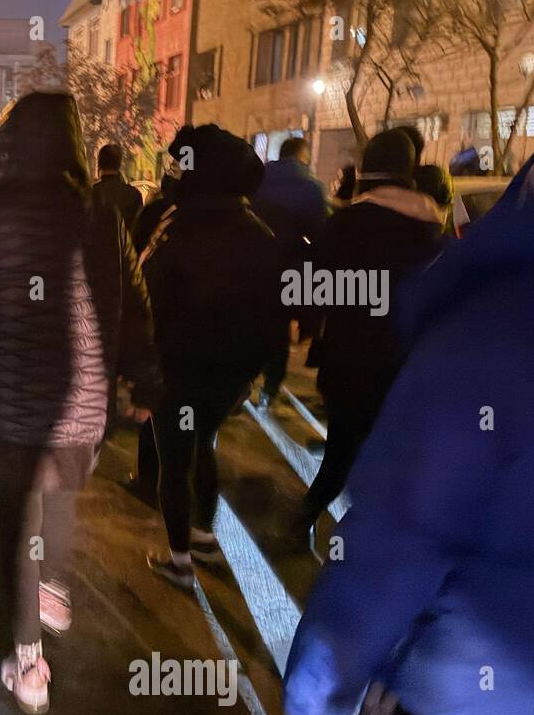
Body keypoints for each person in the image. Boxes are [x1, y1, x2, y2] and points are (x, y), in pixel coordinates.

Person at [284, 152, 534, 715]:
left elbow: (404, 529)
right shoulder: (443, 260)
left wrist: (323, 681)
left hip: (469, 708)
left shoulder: (496, 326)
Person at [0, 92, 159, 715]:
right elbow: (135, 307)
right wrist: (143, 379)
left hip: (6, 401)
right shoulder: (100, 214)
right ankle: (51, 588)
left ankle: (29, 665)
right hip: (81, 398)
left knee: (15, 525)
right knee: (58, 499)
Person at [142, 125, 282, 590]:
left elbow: (145, 302)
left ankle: (180, 559)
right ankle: (203, 536)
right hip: (230, 377)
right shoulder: (260, 234)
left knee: (174, 463)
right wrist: (267, 373)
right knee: (204, 443)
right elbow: (276, 313)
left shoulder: (176, 229)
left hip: (178, 372)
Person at [293, 130, 446, 546]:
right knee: (386, 455)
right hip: (405, 366)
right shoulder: (432, 231)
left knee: (342, 449)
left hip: (349, 360)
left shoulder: (347, 223)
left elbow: (314, 287)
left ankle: (306, 518)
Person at [252, 136, 330, 404]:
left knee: (251, 323)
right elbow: (320, 234)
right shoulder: (311, 189)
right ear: (302, 156)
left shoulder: (257, 182)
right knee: (278, 329)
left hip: (255, 266)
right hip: (290, 271)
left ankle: (244, 381)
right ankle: (270, 386)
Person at [91, 143, 142, 229]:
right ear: (119, 164)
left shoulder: (90, 193)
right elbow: (138, 229)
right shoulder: (134, 194)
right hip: (125, 241)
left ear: (99, 164)